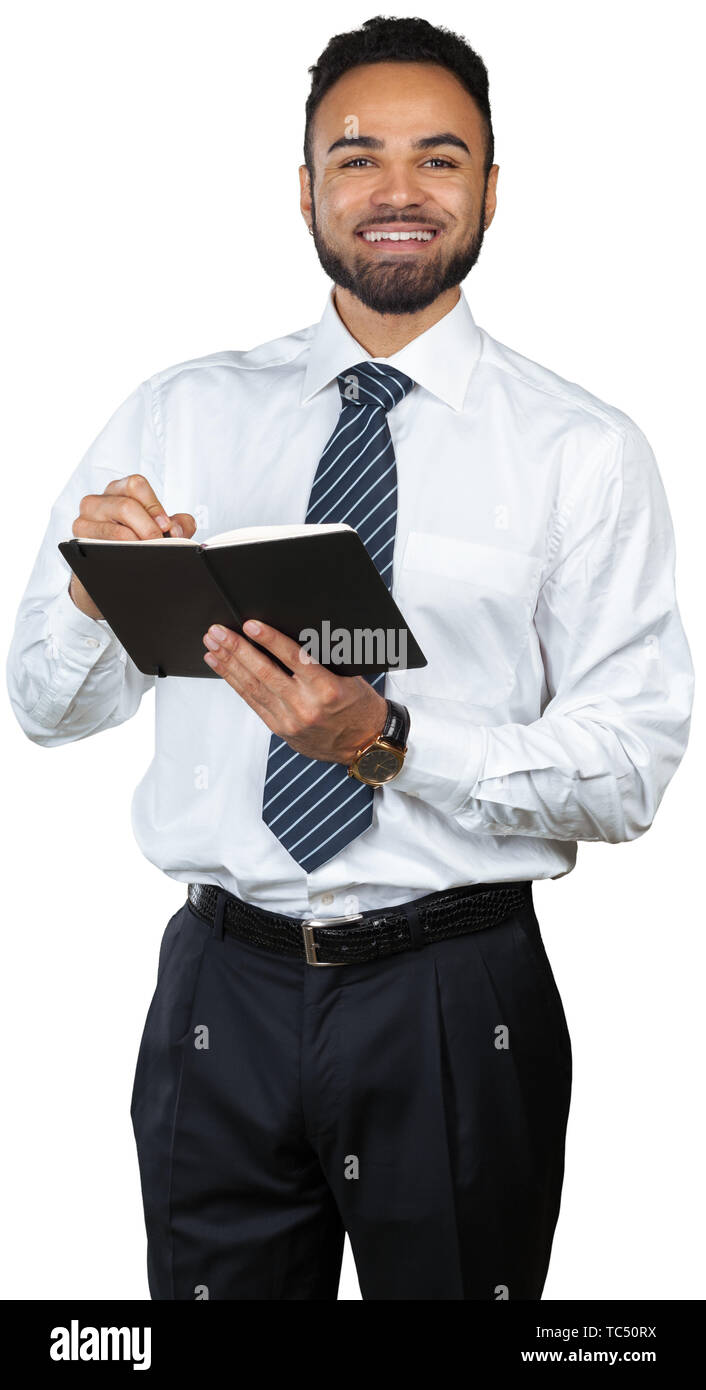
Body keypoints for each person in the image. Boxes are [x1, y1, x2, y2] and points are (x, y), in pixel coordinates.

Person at [6, 15, 694, 1301]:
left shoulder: (580, 450)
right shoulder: (180, 411)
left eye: (439, 159)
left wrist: (388, 745)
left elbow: (629, 769)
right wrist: (94, 599)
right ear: (305, 185)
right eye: (355, 155)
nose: (394, 191)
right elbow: (44, 711)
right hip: (222, 984)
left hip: (453, 990)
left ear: (491, 188)